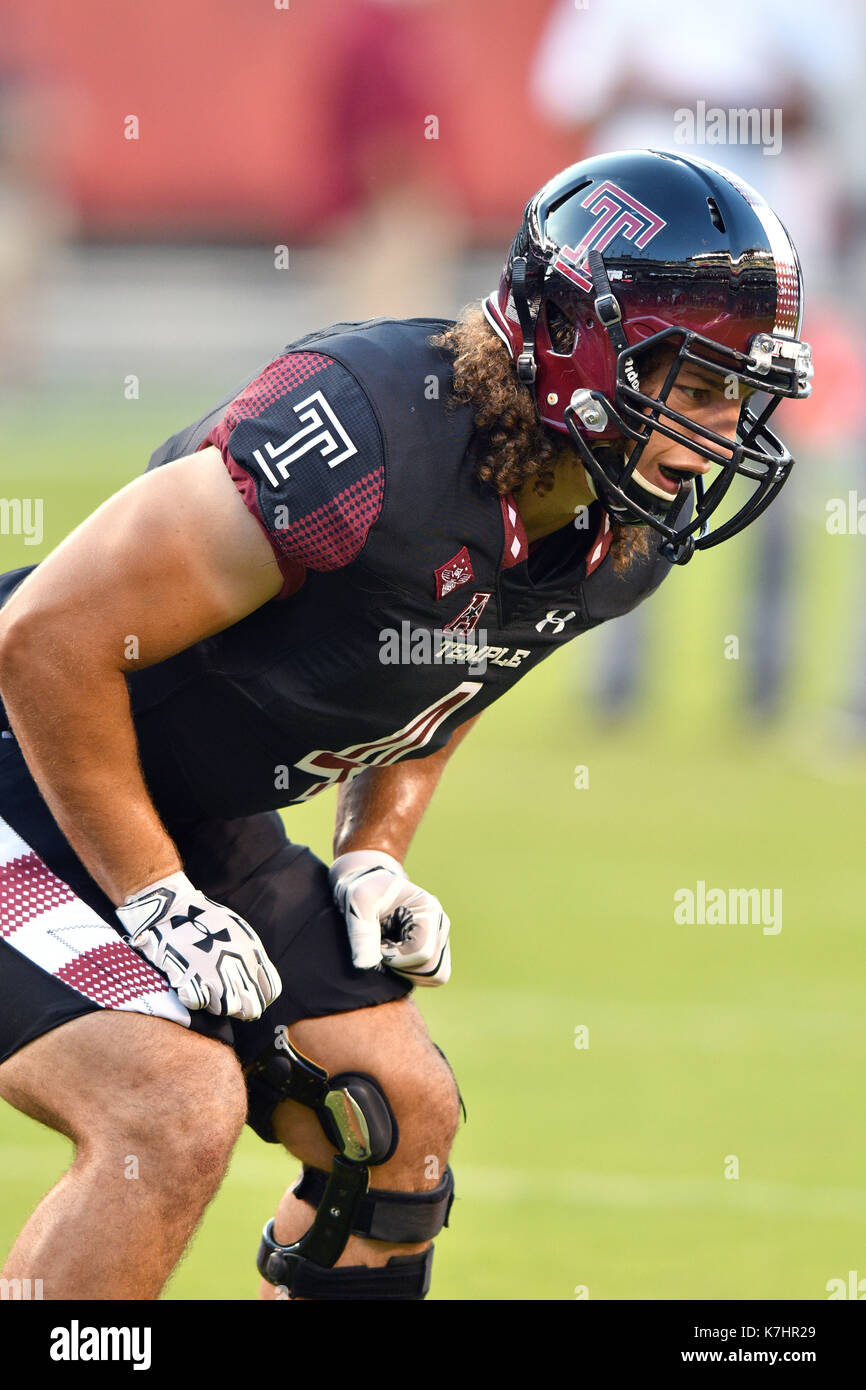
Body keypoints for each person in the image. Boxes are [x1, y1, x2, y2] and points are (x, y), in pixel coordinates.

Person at [0, 149, 812, 1301]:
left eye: (743, 390)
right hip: (26, 753)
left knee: (399, 1120)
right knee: (168, 1109)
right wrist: (150, 891)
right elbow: (45, 640)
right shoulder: (361, 436)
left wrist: (374, 847)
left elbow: (452, 669)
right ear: (575, 349)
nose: (722, 428)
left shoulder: (614, 527)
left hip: (186, 804)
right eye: (691, 384)